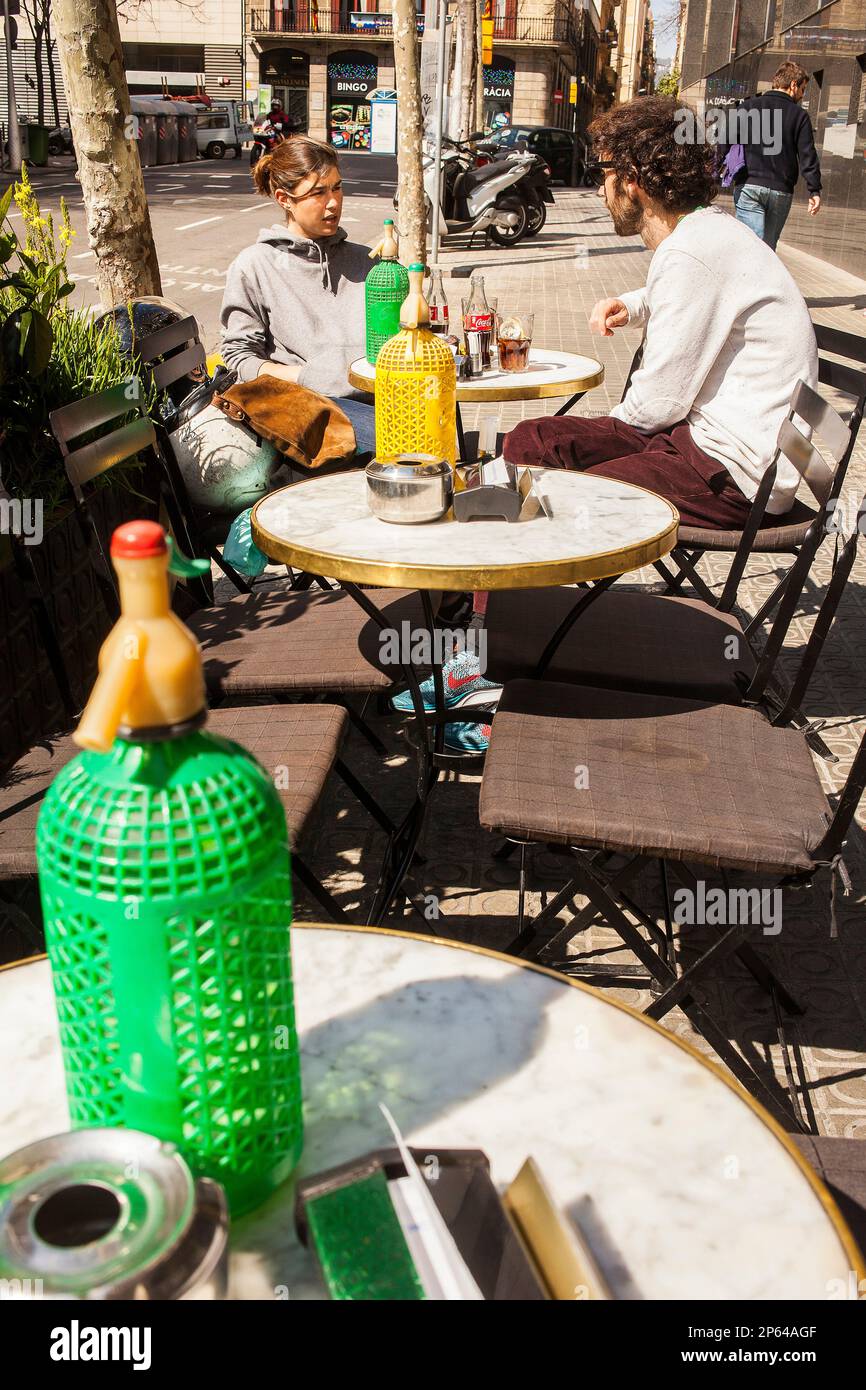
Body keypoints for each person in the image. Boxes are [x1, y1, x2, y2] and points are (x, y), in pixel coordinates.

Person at [504, 96, 818, 529]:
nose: (599, 190)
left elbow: (658, 404)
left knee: (560, 489)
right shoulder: (707, 231)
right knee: (534, 442)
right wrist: (634, 304)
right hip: (719, 447)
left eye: (602, 173)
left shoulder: (691, 252)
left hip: (733, 476)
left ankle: (516, 564)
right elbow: (697, 291)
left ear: (632, 179)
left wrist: (605, 434)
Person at [220, 135, 375, 455]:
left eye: (337, 187)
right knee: (405, 444)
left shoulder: (369, 261)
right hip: (314, 410)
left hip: (382, 397)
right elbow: (238, 357)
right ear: (284, 199)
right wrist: (304, 376)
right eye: (318, 193)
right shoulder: (255, 265)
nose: (333, 202)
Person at [733, 61, 821, 251]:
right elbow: (807, 154)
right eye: (803, 89)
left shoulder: (747, 107)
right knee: (767, 250)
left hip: (749, 185)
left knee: (749, 248)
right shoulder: (799, 115)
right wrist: (814, 190)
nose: (802, 95)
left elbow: (725, 142)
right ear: (793, 85)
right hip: (781, 190)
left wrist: (714, 173)